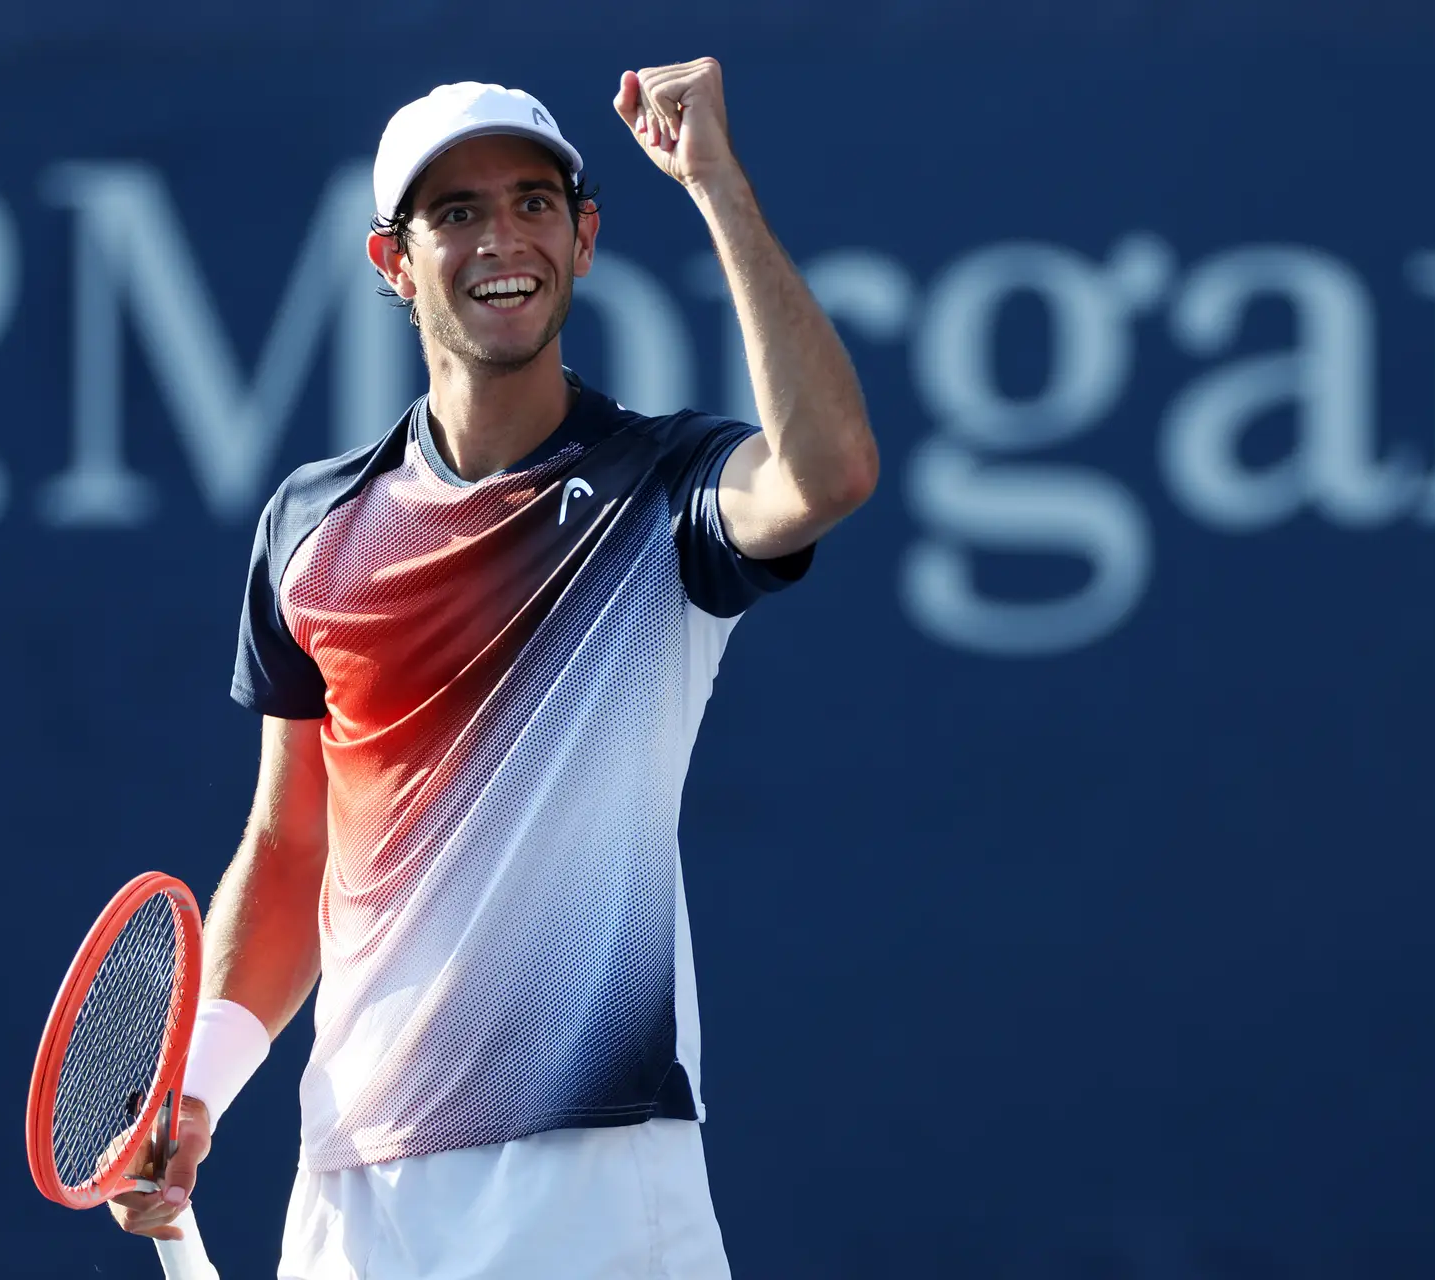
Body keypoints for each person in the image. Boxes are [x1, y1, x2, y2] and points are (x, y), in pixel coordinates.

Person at [111, 59, 877, 1278]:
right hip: (357, 1187)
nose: (500, 238)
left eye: (532, 203)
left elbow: (828, 472)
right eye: (456, 213)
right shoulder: (309, 531)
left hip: (594, 1175)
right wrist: (196, 1084)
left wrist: (719, 187)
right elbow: (293, 841)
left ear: (583, 236)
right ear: (393, 265)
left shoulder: (665, 489)